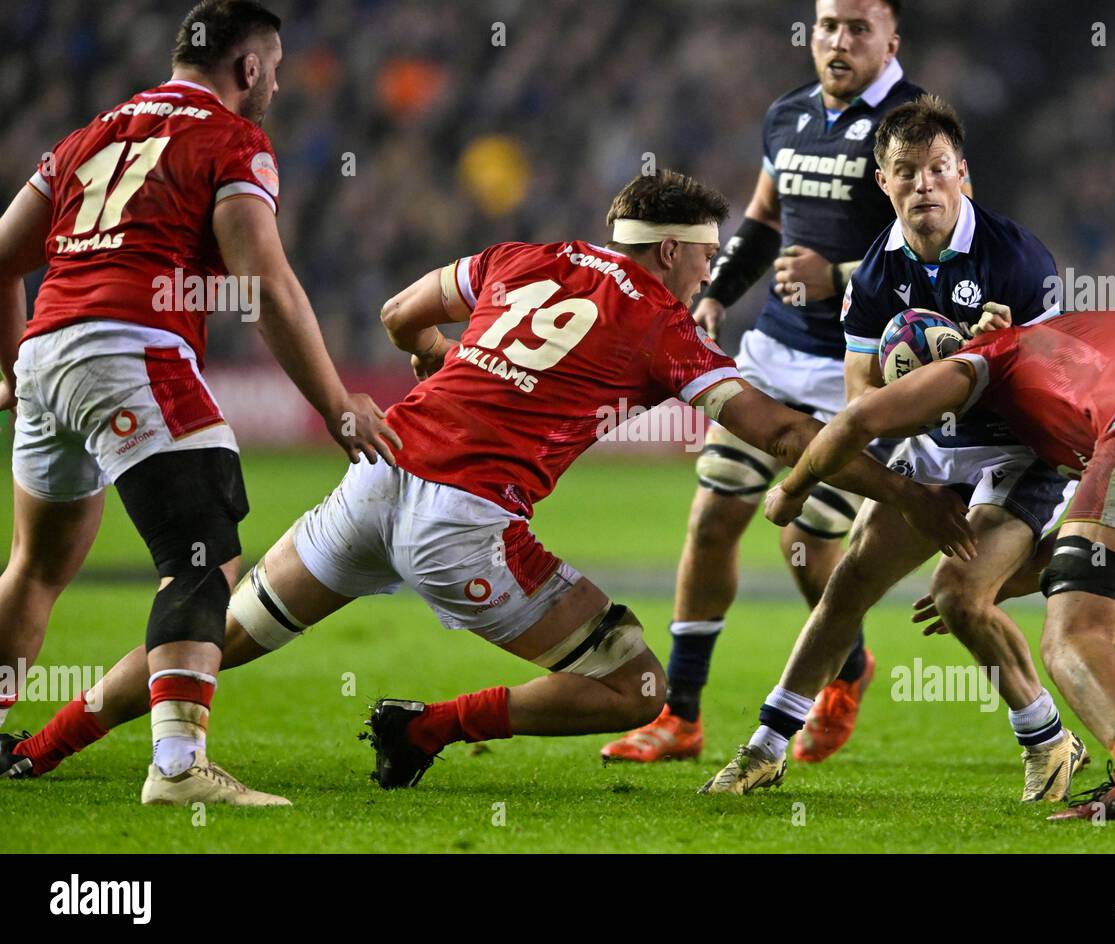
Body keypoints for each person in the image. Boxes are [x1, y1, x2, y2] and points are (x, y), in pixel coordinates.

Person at [1, 170, 977, 793]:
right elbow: (770, 426)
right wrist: (904, 493)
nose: (708, 277)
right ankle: (425, 727)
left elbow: (396, 311)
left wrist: (443, 359)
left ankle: (39, 748)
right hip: (463, 522)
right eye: (704, 257)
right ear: (674, 250)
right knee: (634, 682)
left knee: (218, 632)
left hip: (374, 482)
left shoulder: (527, 255)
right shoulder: (661, 319)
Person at [0, 0, 397, 806]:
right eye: (275, 71)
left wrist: (14, 365)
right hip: (131, 345)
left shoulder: (91, 134)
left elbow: (3, 255)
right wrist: (335, 403)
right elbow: (266, 283)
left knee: (36, 566)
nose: (277, 88)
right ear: (247, 68)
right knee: (202, 552)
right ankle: (178, 766)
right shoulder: (232, 140)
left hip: (51, 350)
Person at [757, 307, 1115, 820]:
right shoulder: (1069, 350)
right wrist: (1005, 583)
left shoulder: (991, 354)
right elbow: (1109, 536)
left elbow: (860, 418)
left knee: (1076, 633)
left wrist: (793, 488)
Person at [701, 94, 1088, 801]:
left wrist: (1006, 355)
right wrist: (918, 385)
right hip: (936, 448)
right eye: (906, 171)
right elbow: (861, 404)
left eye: (938, 168)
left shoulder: (1019, 258)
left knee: (960, 597)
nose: (923, 185)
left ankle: (1048, 741)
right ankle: (765, 746)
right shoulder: (878, 272)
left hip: (1019, 450)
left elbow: (1066, 391)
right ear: (883, 182)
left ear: (962, 174)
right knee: (848, 585)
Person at [603, 0, 935, 767]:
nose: (838, 40)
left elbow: (938, 248)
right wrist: (717, 291)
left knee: (809, 544)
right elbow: (763, 219)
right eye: (826, 25)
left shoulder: (916, 128)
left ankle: (846, 667)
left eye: (857, 26)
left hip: (859, 372)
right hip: (773, 356)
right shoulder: (788, 115)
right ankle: (679, 717)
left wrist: (841, 275)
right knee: (713, 518)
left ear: (892, 38)